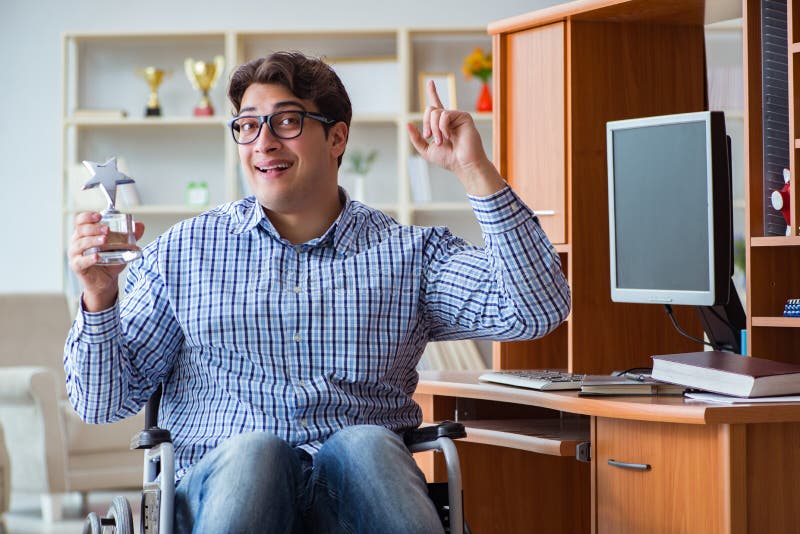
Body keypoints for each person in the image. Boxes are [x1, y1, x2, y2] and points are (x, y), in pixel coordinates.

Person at [65, 51, 570, 533]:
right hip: (223, 490)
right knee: (256, 454)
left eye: (286, 121)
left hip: (360, 495)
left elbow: (534, 309)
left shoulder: (409, 253)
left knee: (366, 446)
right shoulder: (182, 253)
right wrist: (98, 299)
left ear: (337, 138)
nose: (262, 142)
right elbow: (102, 403)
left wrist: (475, 173)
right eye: (247, 125)